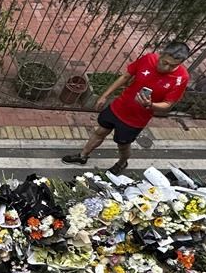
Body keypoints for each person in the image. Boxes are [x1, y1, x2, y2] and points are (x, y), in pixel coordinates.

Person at [62, 41, 191, 174]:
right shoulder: (148, 58)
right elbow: (125, 77)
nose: (166, 68)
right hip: (119, 107)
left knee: (123, 145)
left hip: (135, 120)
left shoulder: (181, 78)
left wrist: (150, 105)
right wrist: (105, 95)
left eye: (172, 66)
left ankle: (122, 163)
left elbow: (168, 105)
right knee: (100, 131)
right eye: (164, 62)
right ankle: (83, 156)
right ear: (161, 54)